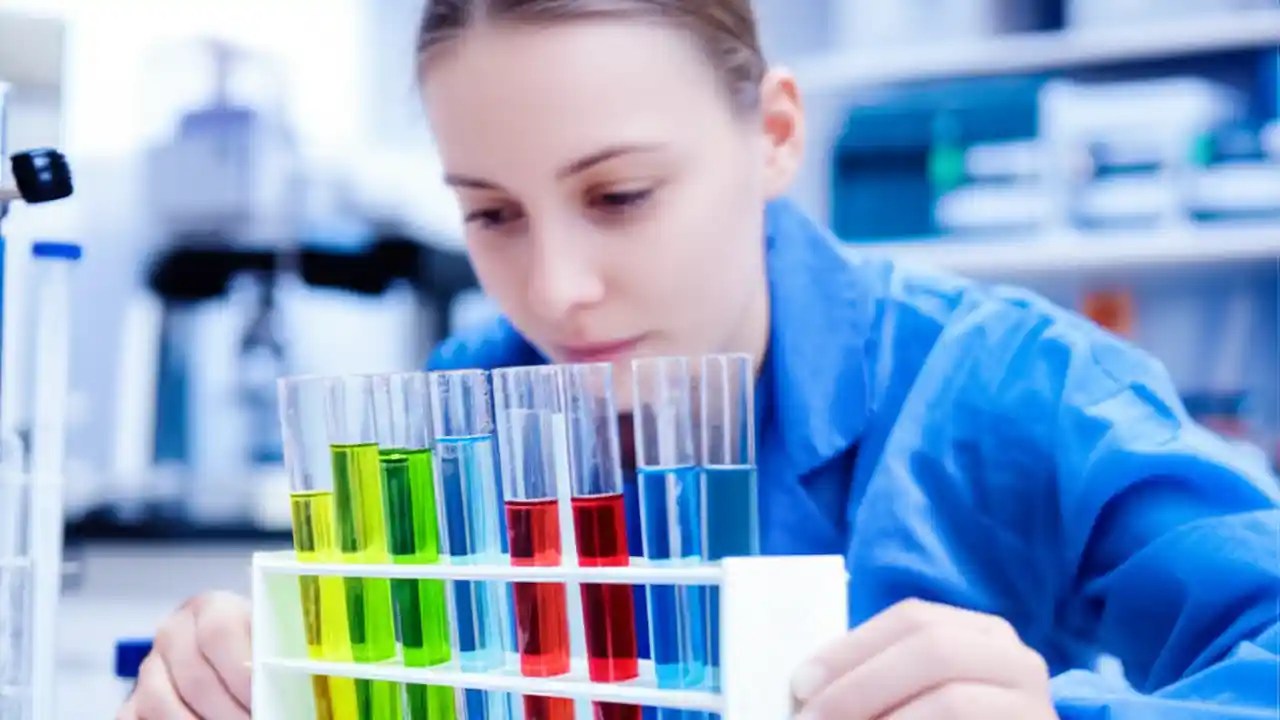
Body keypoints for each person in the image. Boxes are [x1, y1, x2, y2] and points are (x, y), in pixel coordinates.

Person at [117, 1, 1280, 718]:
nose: (556, 293)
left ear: (772, 136)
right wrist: (245, 681)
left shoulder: (1009, 387)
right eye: (492, 214)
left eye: (618, 195)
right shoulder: (468, 411)